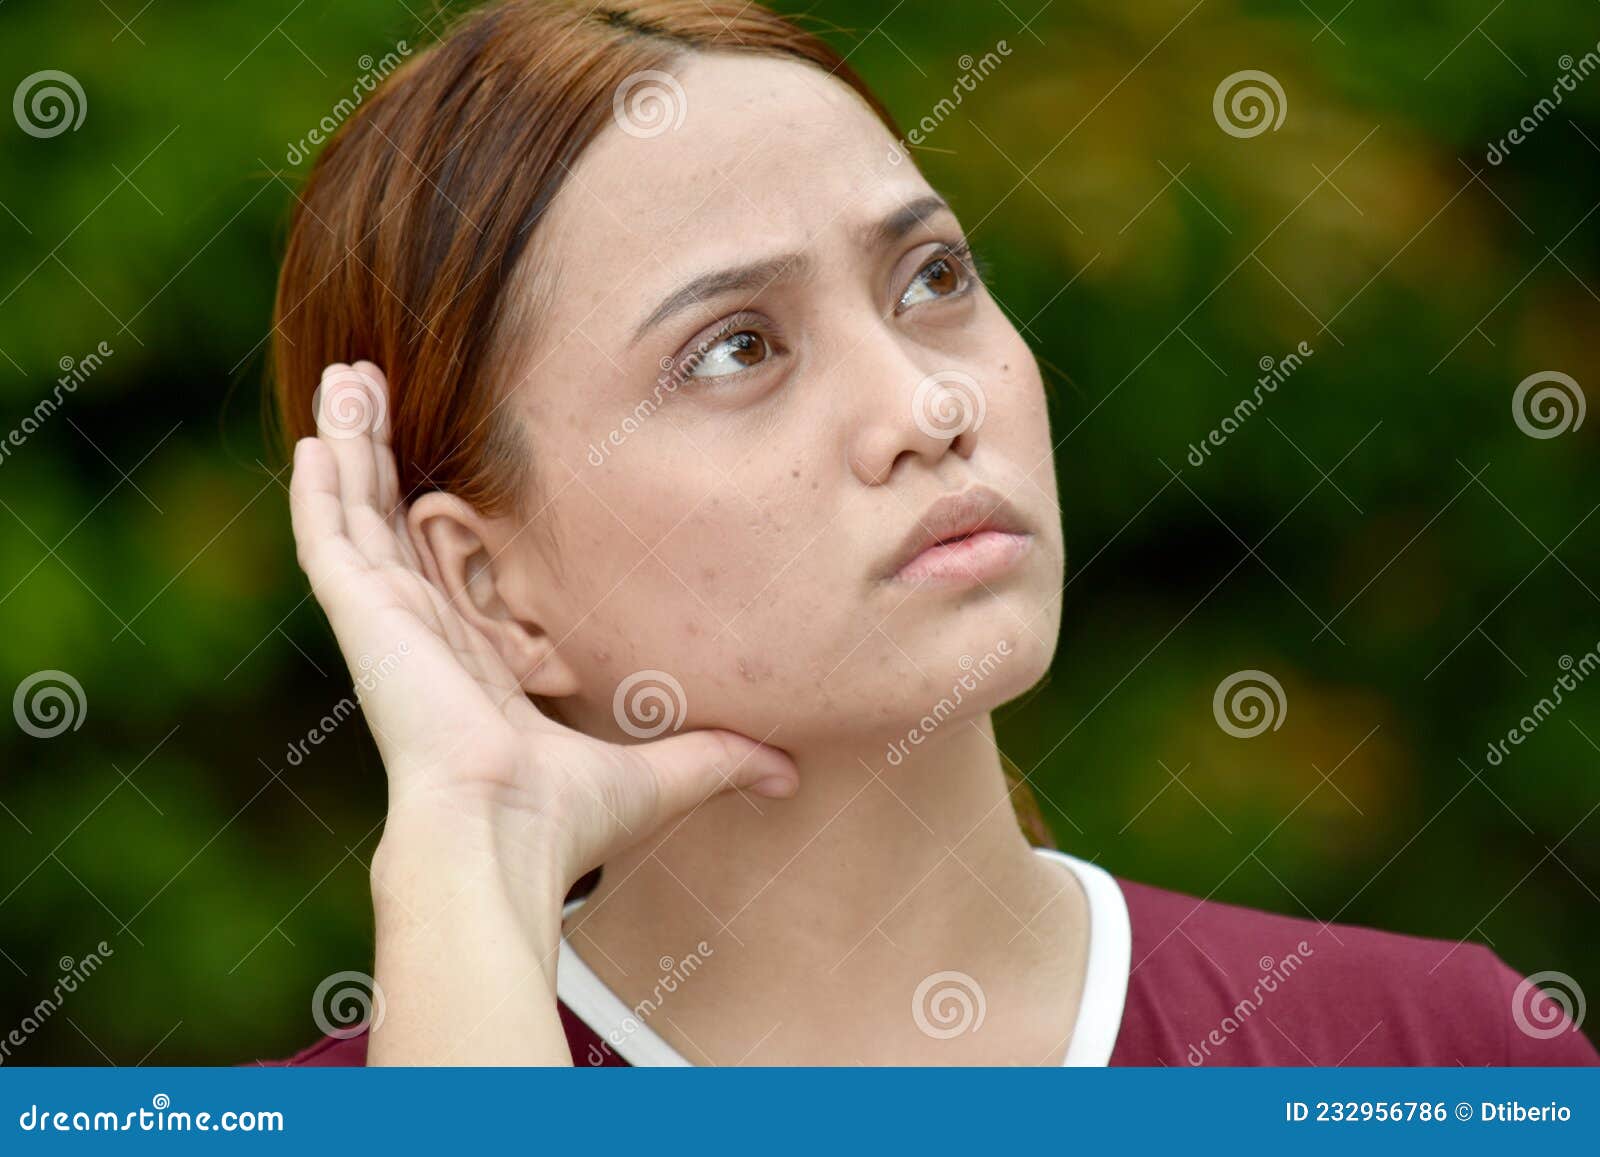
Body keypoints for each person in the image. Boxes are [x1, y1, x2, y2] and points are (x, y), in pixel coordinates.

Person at [262, 0, 1596, 1066]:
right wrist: (465, 839)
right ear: (491, 589)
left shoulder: (1434, 1060)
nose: (929, 400)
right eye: (735, 348)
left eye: (933, 278)